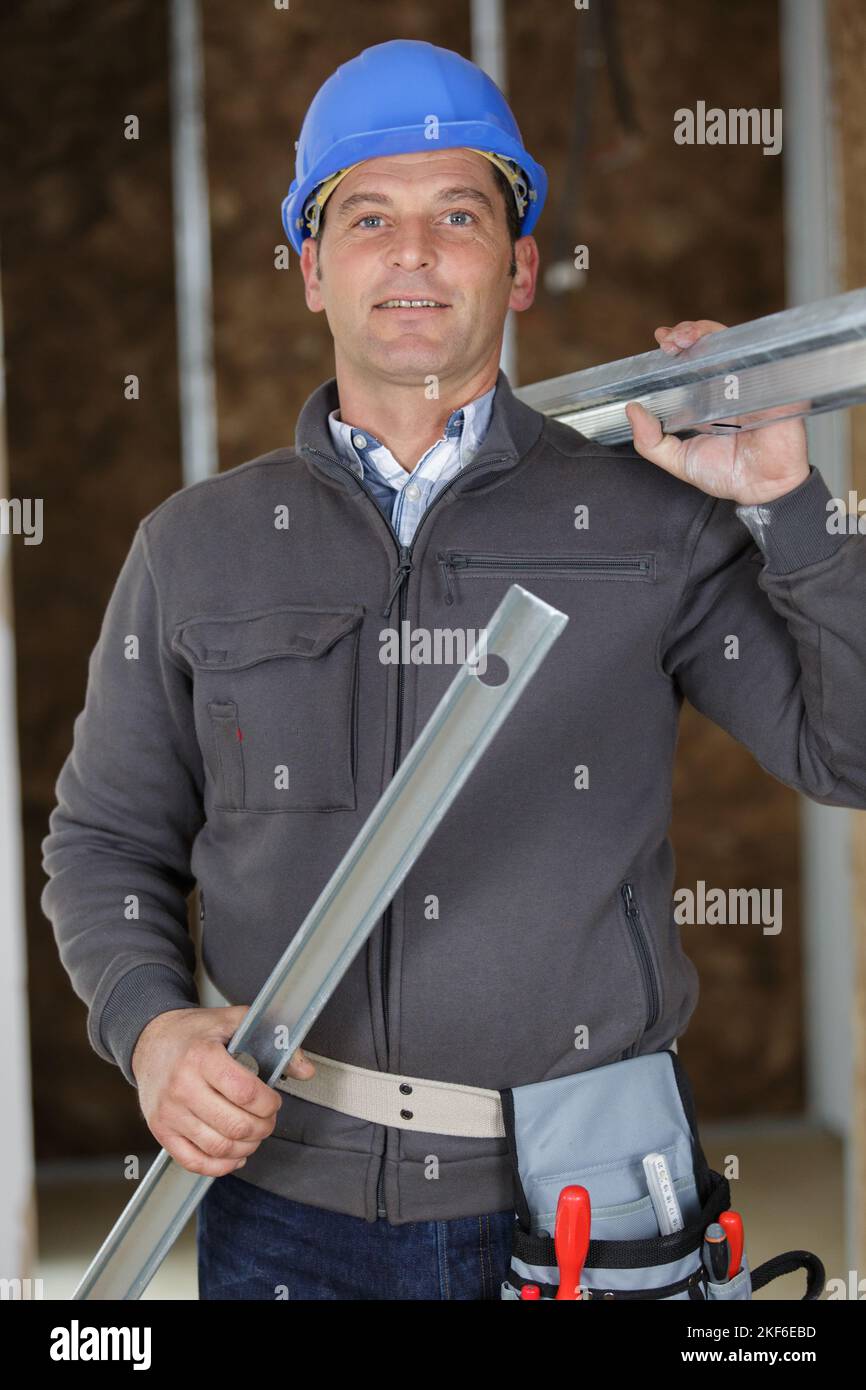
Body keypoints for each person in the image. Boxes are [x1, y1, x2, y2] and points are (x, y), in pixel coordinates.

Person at [41, 38, 866, 1301]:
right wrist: (149, 1029)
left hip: (585, 1202)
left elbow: (848, 754)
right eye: (367, 215)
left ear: (520, 266)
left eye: (458, 215)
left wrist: (792, 507)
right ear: (311, 267)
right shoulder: (195, 550)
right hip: (283, 1210)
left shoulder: (650, 522)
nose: (413, 251)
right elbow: (102, 841)